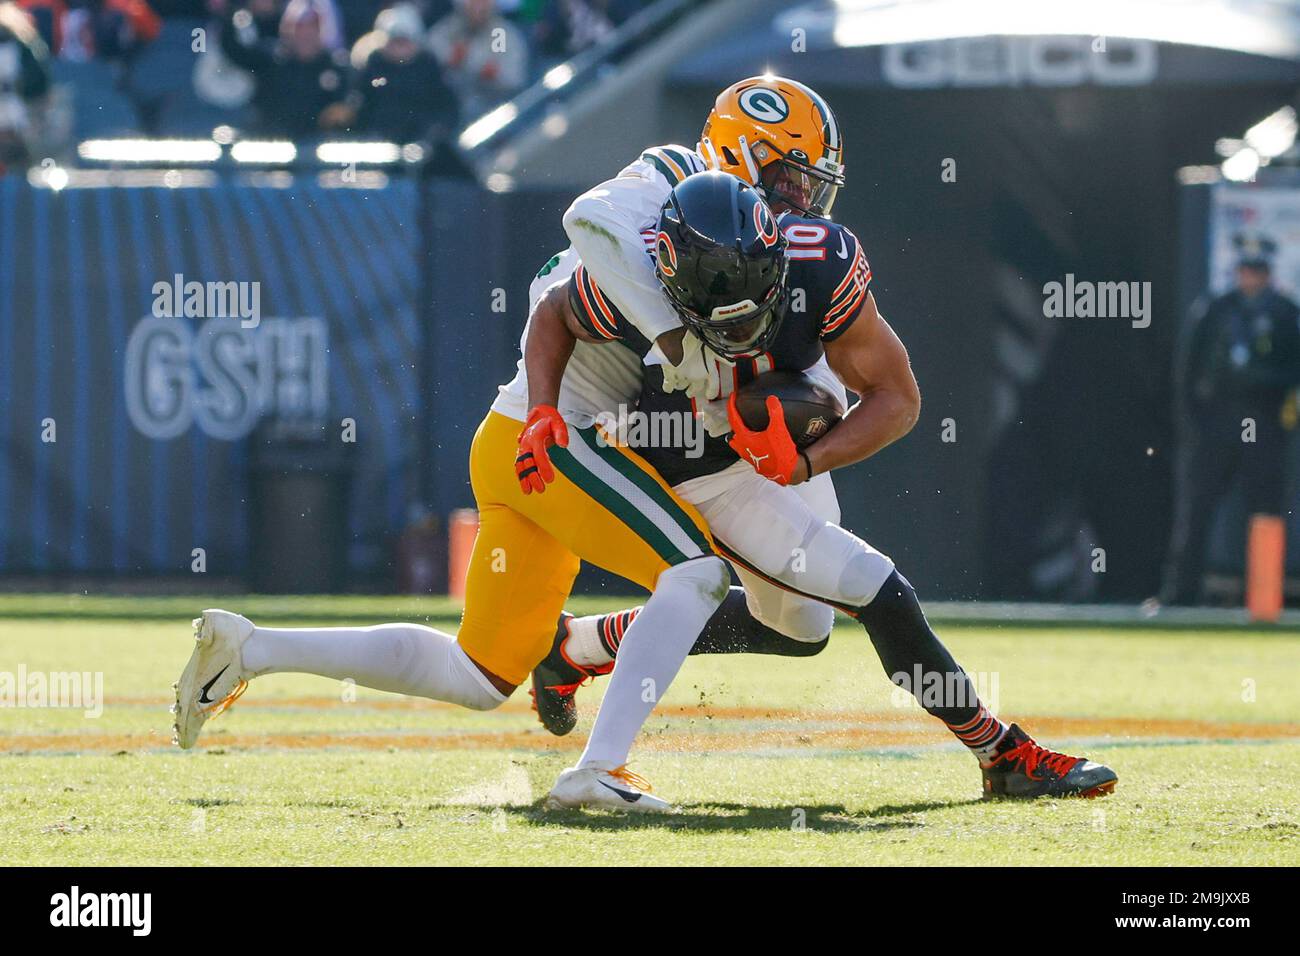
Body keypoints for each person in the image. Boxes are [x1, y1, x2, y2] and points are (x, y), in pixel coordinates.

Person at [526, 168, 1118, 809]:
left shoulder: (818, 262)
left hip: (765, 455)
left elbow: (897, 399)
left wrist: (804, 463)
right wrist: (540, 407)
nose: (743, 328)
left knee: (799, 629)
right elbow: (552, 315)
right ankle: (1001, 753)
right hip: (687, 463)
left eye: (759, 303)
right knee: (878, 589)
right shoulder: (636, 284)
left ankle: (578, 645)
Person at [1159, 232, 1300, 605]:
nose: (1250, 277)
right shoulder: (1216, 310)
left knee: (1266, 512)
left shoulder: (1286, 314)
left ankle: (1265, 597)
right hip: (1218, 424)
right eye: (1245, 269)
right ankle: (1180, 595)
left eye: (1258, 270)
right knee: (1197, 507)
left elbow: (1293, 372)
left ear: (1268, 273)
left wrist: (1264, 383)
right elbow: (1188, 371)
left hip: (1264, 422)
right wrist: (1195, 422)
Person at [427, 0, 525, 120]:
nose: (478, 7)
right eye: (474, 2)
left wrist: (495, 75)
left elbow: (513, 78)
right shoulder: (452, 26)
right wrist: (449, 57)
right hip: (451, 105)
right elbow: (431, 45)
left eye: (483, 2)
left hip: (491, 108)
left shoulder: (500, 33)